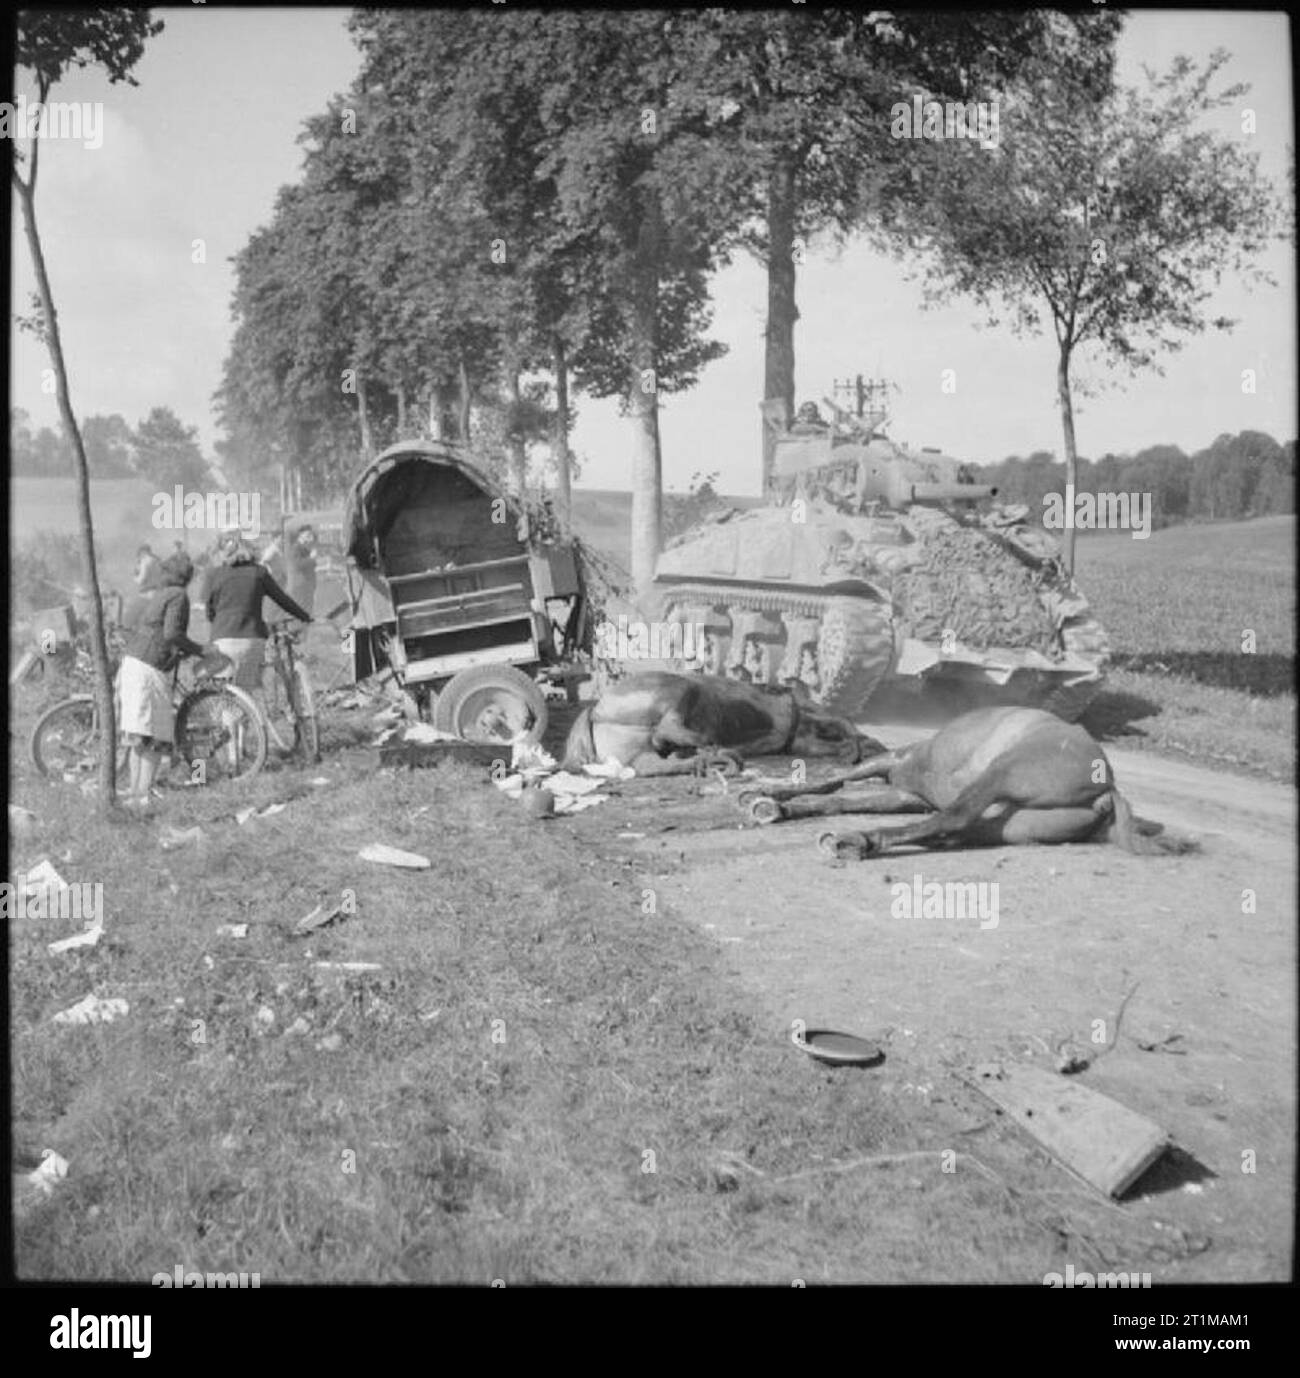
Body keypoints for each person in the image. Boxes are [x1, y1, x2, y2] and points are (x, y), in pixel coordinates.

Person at [115, 551, 218, 807]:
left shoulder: (161, 594)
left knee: (138, 737)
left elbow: (160, 630)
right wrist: (200, 649)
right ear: (187, 576)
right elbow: (172, 633)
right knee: (153, 737)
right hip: (149, 668)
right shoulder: (178, 596)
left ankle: (135, 792)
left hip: (135, 662)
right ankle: (142, 796)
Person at [204, 533, 312, 696]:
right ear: (253, 553)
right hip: (252, 639)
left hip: (222, 640)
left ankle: (229, 720)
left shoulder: (216, 574)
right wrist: (305, 616)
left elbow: (209, 610)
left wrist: (218, 621)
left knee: (224, 695)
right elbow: (282, 599)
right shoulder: (259, 573)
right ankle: (249, 718)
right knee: (245, 693)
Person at [284, 524, 318, 617]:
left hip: (306, 587)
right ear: (300, 536)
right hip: (299, 587)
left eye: (311, 535)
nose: (310, 538)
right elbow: (297, 565)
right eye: (308, 535)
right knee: (302, 613)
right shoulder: (295, 548)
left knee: (307, 611)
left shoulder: (305, 548)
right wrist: (311, 558)